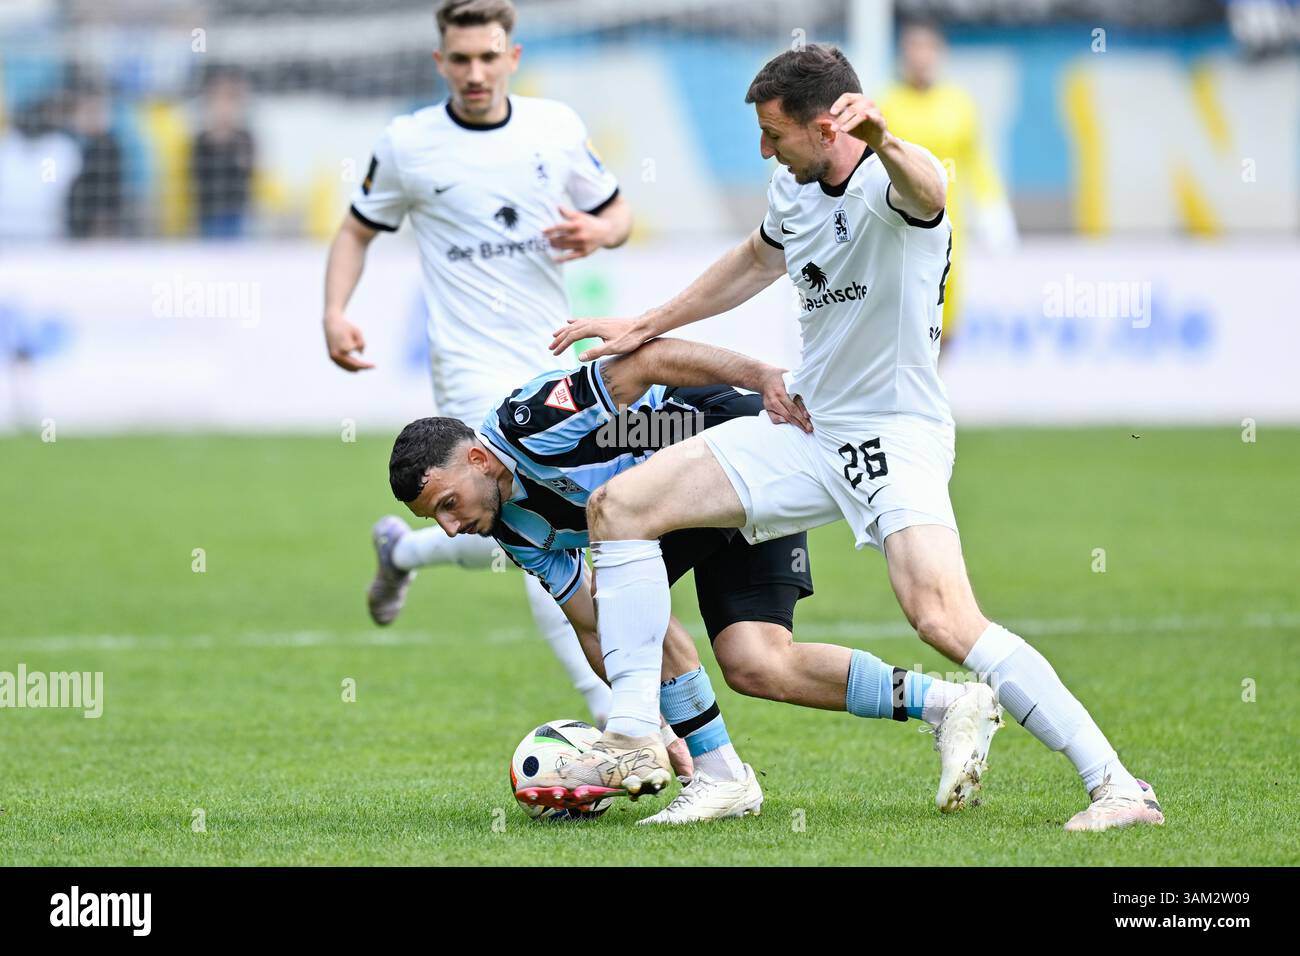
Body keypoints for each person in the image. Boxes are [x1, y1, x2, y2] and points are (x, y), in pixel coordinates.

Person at [547, 44, 1164, 833]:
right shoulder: (791, 188)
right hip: (807, 425)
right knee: (619, 506)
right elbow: (753, 259)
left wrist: (884, 138)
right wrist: (646, 322)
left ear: (827, 128)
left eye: (775, 133)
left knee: (943, 618)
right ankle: (634, 734)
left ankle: (1118, 786)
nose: (765, 150)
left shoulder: (892, 182)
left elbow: (931, 187)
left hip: (895, 434)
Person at [386, 337, 1003, 823]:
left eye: (446, 504)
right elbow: (595, 624)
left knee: (622, 541)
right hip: (676, 507)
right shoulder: (511, 529)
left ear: (475, 460)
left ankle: (723, 778)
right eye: (434, 519)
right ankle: (950, 703)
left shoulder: (531, 421)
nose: (448, 528)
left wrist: (762, 376)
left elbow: (649, 359)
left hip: (726, 443)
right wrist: (655, 727)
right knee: (756, 663)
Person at [323, 0, 632, 726]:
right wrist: (334, 313)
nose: (475, 73)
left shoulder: (554, 128)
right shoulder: (408, 143)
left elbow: (617, 212)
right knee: (542, 532)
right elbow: (355, 230)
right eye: (460, 60)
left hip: (552, 360)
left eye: (488, 58)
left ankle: (402, 553)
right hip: (468, 367)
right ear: (440, 62)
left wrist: (599, 230)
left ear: (512, 59)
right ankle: (619, 721)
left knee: (517, 530)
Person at [878, 19, 1018, 351]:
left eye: (927, 48)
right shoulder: (888, 103)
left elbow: (978, 160)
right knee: (903, 313)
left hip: (950, 228)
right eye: (913, 48)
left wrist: (992, 206)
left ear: (939, 54)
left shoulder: (958, 104)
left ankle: (932, 386)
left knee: (947, 315)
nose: (920, 57)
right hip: (900, 225)